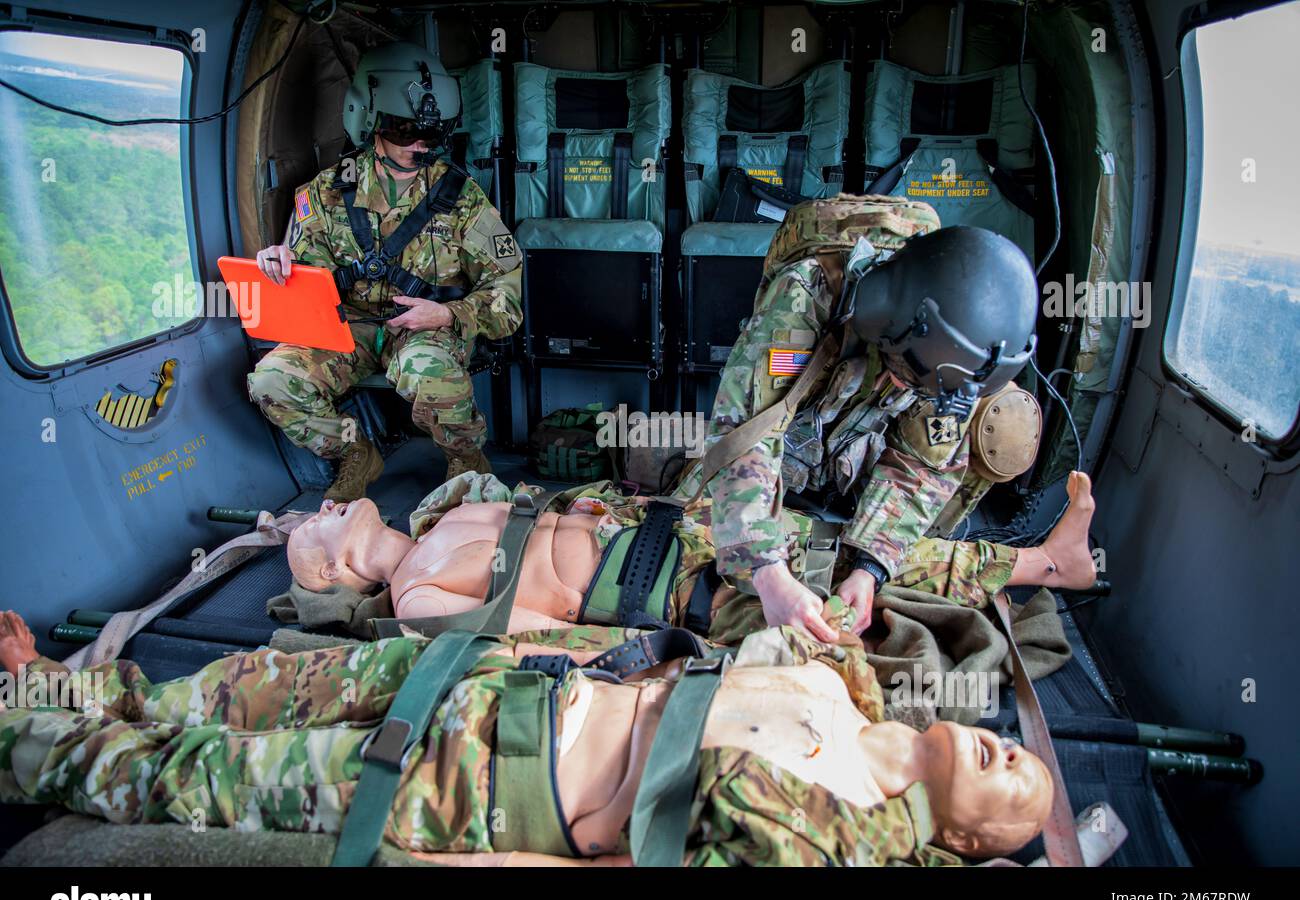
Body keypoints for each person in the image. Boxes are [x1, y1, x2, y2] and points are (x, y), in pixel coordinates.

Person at [0, 610, 1052, 865]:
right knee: (233, 686)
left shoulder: (843, 841)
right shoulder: (843, 671)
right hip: (497, 668)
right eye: (1021, 747)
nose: (1015, 755)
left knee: (189, 775)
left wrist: (907, 817)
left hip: (479, 775)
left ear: (963, 845)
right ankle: (44, 681)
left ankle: (17, 735)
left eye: (1019, 792)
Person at [696, 209, 1049, 643]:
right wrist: (769, 576)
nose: (907, 386)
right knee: (703, 538)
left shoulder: (950, 364)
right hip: (788, 452)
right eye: (906, 375)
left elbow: (924, 464)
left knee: (1003, 425)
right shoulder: (805, 297)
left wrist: (869, 566)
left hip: (854, 453)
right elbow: (745, 434)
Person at [283, 470, 1097, 639]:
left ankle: (1036, 555)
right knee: (831, 576)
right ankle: (1045, 567)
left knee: (841, 538)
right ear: (329, 573)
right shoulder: (418, 601)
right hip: (664, 588)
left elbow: (562, 503)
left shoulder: (451, 506)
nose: (321, 508)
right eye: (309, 528)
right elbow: (545, 639)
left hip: (669, 524)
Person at [245, 42, 523, 500]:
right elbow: (308, 273)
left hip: (423, 329)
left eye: (430, 136)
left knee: (429, 372)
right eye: (403, 130)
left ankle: (466, 462)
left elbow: (507, 292)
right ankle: (355, 453)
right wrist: (280, 264)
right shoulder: (325, 193)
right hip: (346, 328)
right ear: (369, 125)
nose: (418, 145)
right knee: (271, 380)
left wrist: (450, 316)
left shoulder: (462, 197)